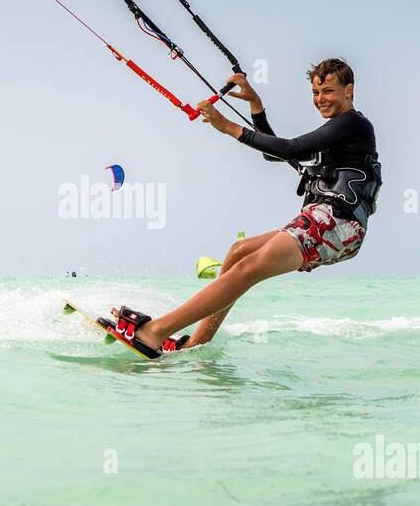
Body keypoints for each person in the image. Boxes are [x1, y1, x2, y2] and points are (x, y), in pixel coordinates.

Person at [109, 58, 381, 356]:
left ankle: (154, 331)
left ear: (349, 89)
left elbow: (291, 148)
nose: (320, 100)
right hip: (324, 221)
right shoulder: (337, 130)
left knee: (249, 269)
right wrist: (256, 104)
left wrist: (226, 126)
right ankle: (197, 344)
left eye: (328, 91)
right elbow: (275, 154)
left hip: (338, 223)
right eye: (316, 93)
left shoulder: (353, 123)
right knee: (239, 253)